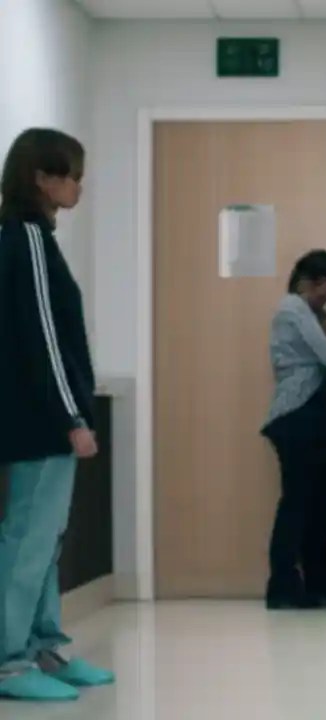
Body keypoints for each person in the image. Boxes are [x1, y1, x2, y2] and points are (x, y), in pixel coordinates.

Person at [0, 128, 115, 701]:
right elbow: (45, 340)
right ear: (41, 178)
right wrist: (73, 418)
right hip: (40, 422)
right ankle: (8, 662)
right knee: (28, 542)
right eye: (71, 176)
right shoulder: (25, 239)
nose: (78, 187)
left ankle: (42, 647)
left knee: (43, 541)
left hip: (41, 418)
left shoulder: (35, 239)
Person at [262, 250, 326, 609]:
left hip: (309, 414)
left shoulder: (304, 312)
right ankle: (283, 587)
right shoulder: (292, 308)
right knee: (298, 503)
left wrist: (324, 319)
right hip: (296, 416)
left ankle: (320, 581)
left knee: (321, 504)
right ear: (312, 282)